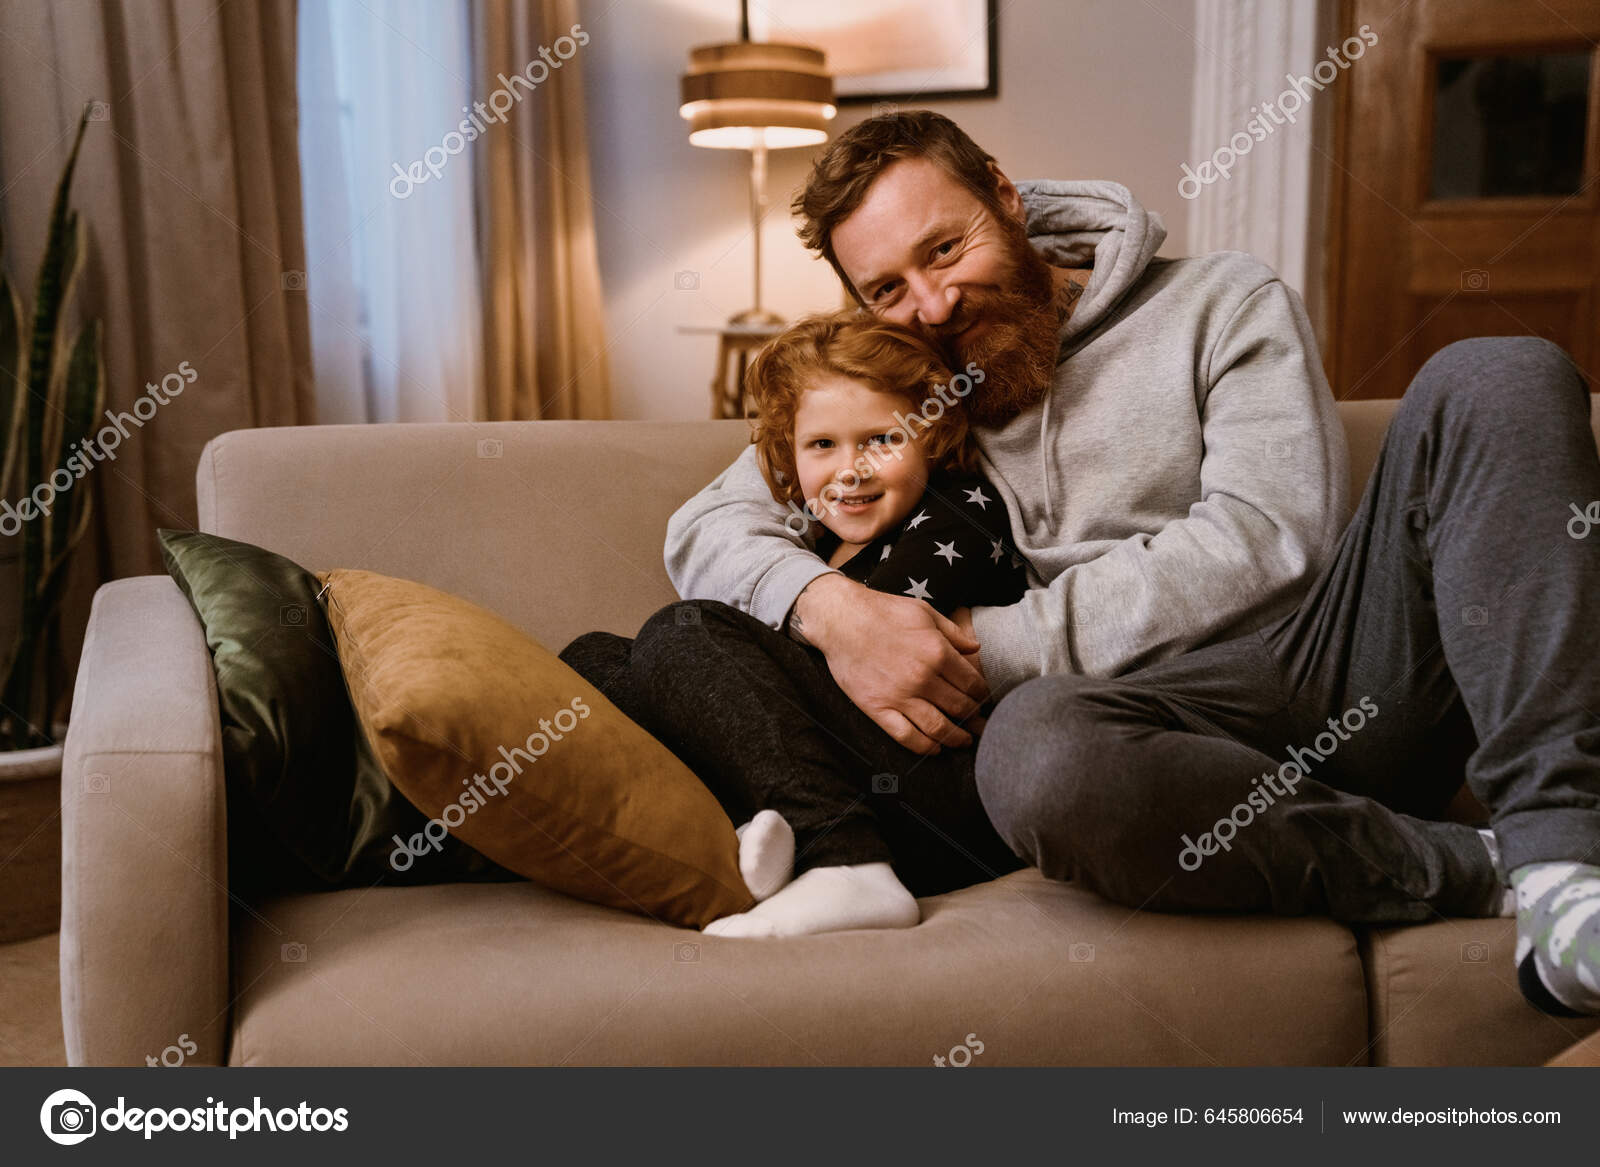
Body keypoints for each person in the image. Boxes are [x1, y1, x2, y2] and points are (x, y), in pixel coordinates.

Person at [663, 110, 1600, 1017]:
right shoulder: (905, 381)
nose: (934, 305)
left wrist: (988, 642)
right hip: (1133, 740)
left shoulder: (1221, 299)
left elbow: (1271, 536)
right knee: (1036, 751)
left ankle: (1567, 861)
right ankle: (1475, 867)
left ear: (1006, 195)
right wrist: (837, 613)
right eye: (888, 289)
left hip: (1324, 667)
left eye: (946, 249)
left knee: (1495, 371)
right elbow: (704, 527)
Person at [560, 310, 1028, 936]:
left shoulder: (959, 514)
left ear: (934, 436)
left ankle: (848, 864)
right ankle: (746, 837)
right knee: (594, 659)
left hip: (940, 799)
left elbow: (846, 667)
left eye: (881, 439)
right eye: (822, 445)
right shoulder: (815, 534)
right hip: (848, 771)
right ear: (787, 457)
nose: (850, 469)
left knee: (687, 631)